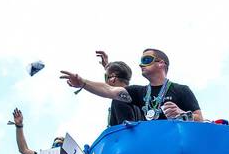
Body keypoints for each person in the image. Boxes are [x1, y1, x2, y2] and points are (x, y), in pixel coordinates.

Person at [61, 48, 202, 122]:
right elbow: (109, 90)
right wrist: (83, 83)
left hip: (175, 150)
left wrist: (182, 113)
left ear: (161, 63)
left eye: (146, 59)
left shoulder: (181, 90)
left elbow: (200, 119)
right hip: (148, 150)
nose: (141, 64)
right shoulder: (138, 92)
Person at [93, 52, 139, 125]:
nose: (105, 82)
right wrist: (108, 67)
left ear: (113, 78)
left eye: (106, 77)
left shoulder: (119, 99)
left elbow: (125, 130)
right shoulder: (136, 98)